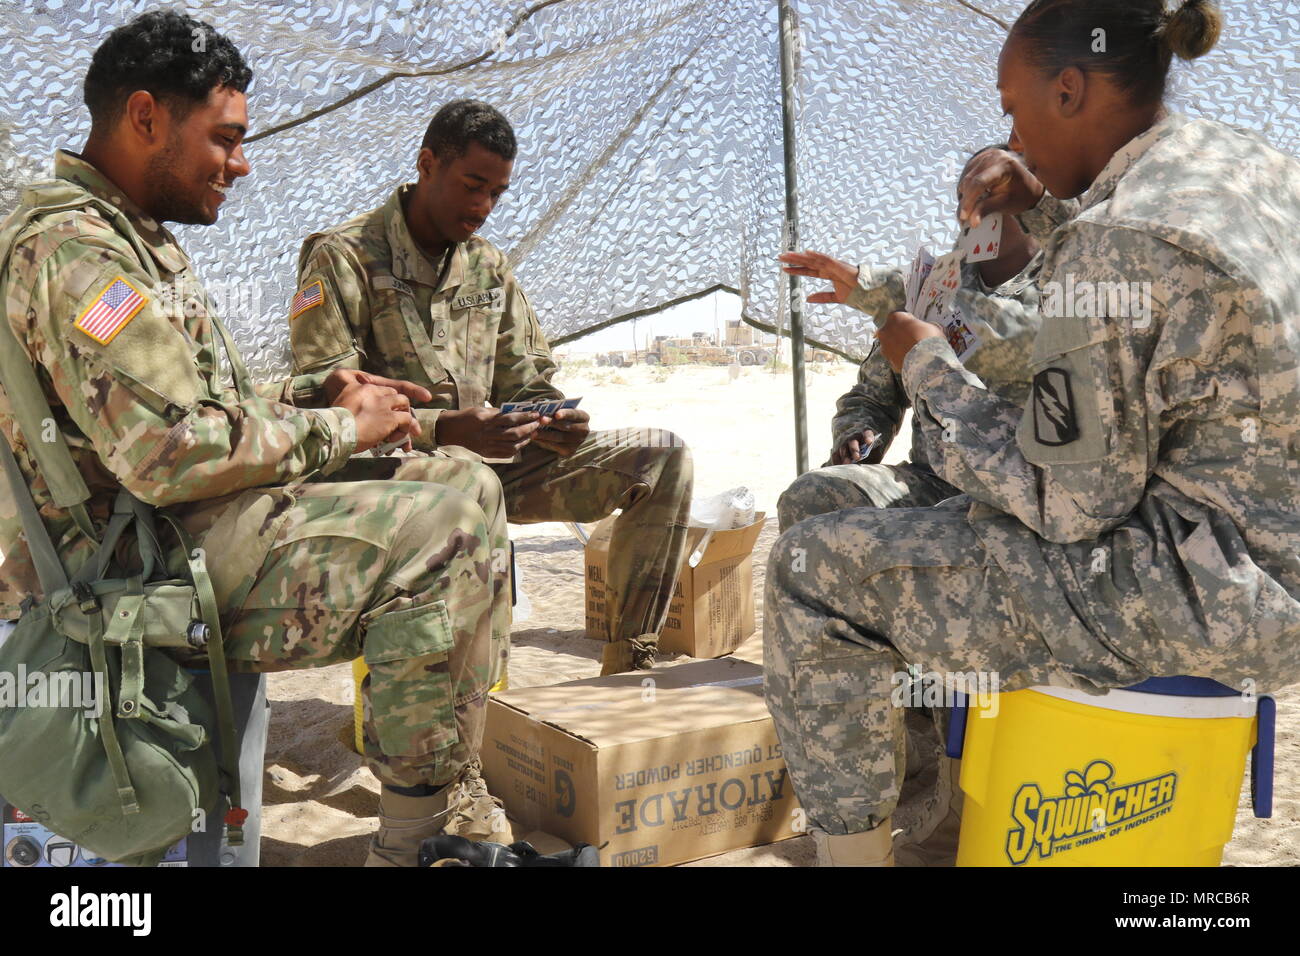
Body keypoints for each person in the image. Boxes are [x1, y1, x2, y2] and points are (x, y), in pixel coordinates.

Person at [764, 0, 1300, 867]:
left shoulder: (1114, 240)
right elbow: (1151, 293)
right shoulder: (1251, 171)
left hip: (1209, 589)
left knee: (811, 569)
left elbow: (1066, 502)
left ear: (1069, 88)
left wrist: (927, 365)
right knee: (846, 511)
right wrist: (1048, 212)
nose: (1011, 134)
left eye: (1013, 109)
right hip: (1263, 557)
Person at [0, 11, 512, 867]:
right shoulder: (76, 254)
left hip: (169, 525)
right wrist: (338, 428)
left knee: (464, 480)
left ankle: (446, 788)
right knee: (443, 537)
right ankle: (419, 841)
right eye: (226, 139)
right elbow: (171, 452)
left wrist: (327, 393)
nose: (241, 163)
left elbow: (197, 405)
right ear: (145, 117)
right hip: (130, 560)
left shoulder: (127, 238)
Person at [286, 100, 694, 675]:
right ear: (427, 165)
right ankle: (462, 707)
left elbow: (525, 379)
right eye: (472, 185)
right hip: (388, 479)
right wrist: (444, 429)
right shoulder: (344, 256)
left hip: (491, 461)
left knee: (662, 456)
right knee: (471, 478)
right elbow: (323, 399)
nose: (483, 207)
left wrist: (550, 420)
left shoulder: (487, 267)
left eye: (497, 193)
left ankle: (630, 664)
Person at [774, 145, 1056, 864]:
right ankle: (905, 741)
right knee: (815, 502)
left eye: (991, 191)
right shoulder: (935, 284)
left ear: (1026, 196)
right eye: (966, 191)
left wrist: (888, 302)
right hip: (934, 482)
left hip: (1025, 494)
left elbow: (1017, 351)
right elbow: (873, 388)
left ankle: (953, 733)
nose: (974, 208)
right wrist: (859, 435)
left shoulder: (1069, 276)